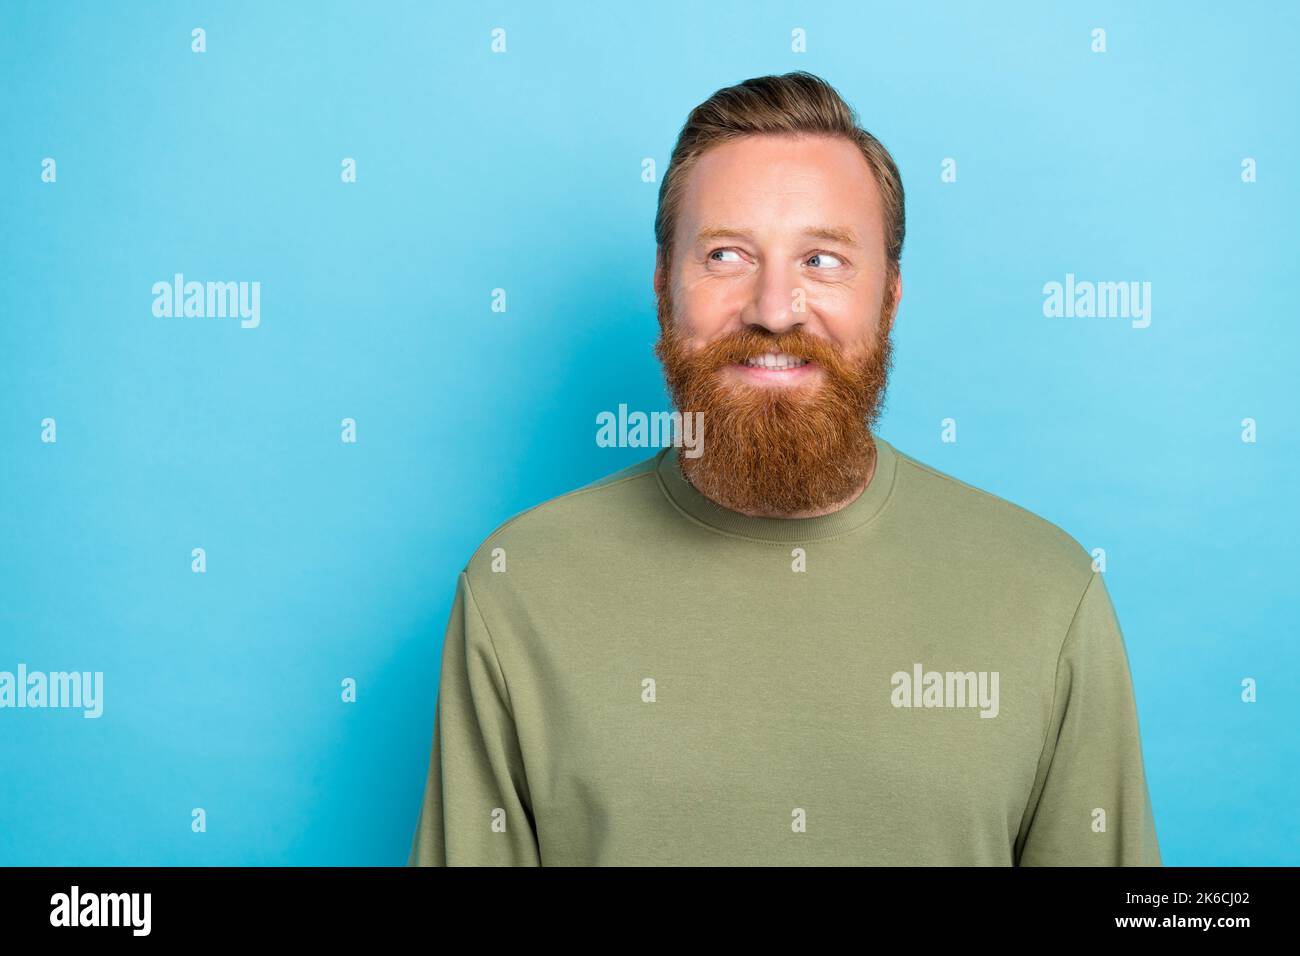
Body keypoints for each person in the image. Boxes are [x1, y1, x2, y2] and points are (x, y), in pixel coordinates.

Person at [407, 71, 1161, 866]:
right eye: (726, 254)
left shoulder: (1046, 592)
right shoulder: (516, 587)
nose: (774, 308)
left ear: (890, 298)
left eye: (824, 260)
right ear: (665, 289)